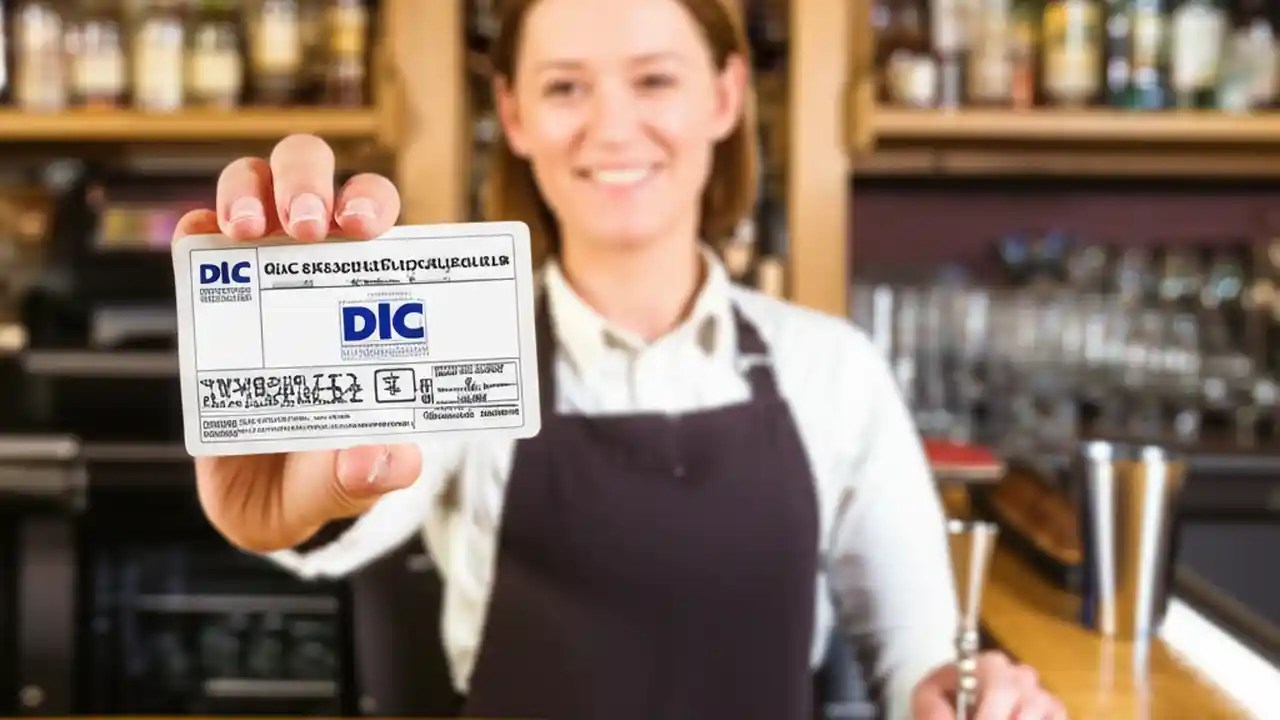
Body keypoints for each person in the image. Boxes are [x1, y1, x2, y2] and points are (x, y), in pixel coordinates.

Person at [175, 1, 1066, 718]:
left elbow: (913, 656)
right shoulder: (456, 346)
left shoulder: (833, 370)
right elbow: (346, 521)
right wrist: (293, 458)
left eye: (654, 79)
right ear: (513, 116)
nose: (612, 126)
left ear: (724, 97)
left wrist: (960, 698)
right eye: (566, 87)